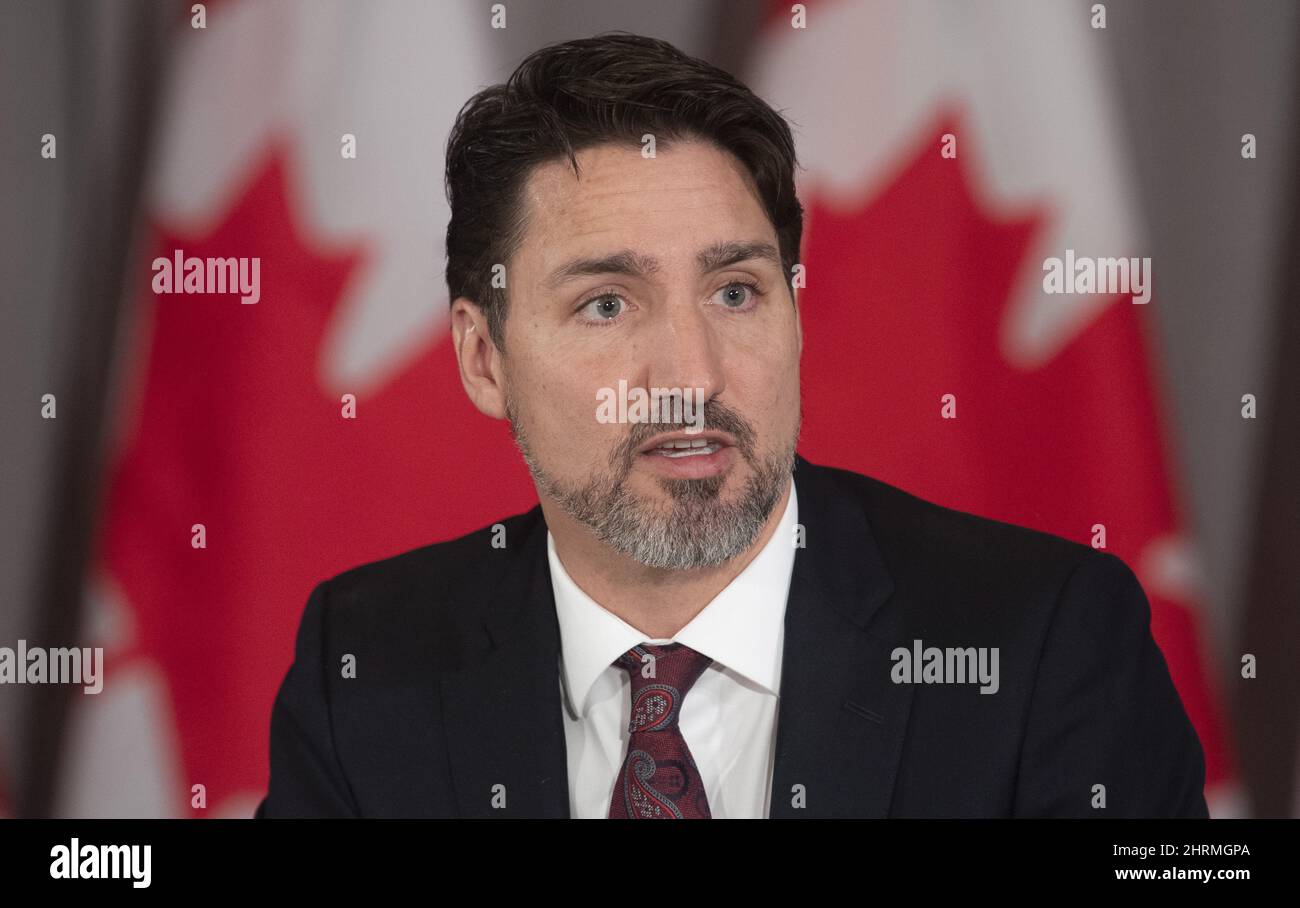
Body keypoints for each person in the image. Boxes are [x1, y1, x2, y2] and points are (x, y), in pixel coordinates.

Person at [256, 32, 1207, 819]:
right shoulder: (367, 667)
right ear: (482, 359)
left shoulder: (1047, 643)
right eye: (606, 305)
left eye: (736, 291)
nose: (692, 377)